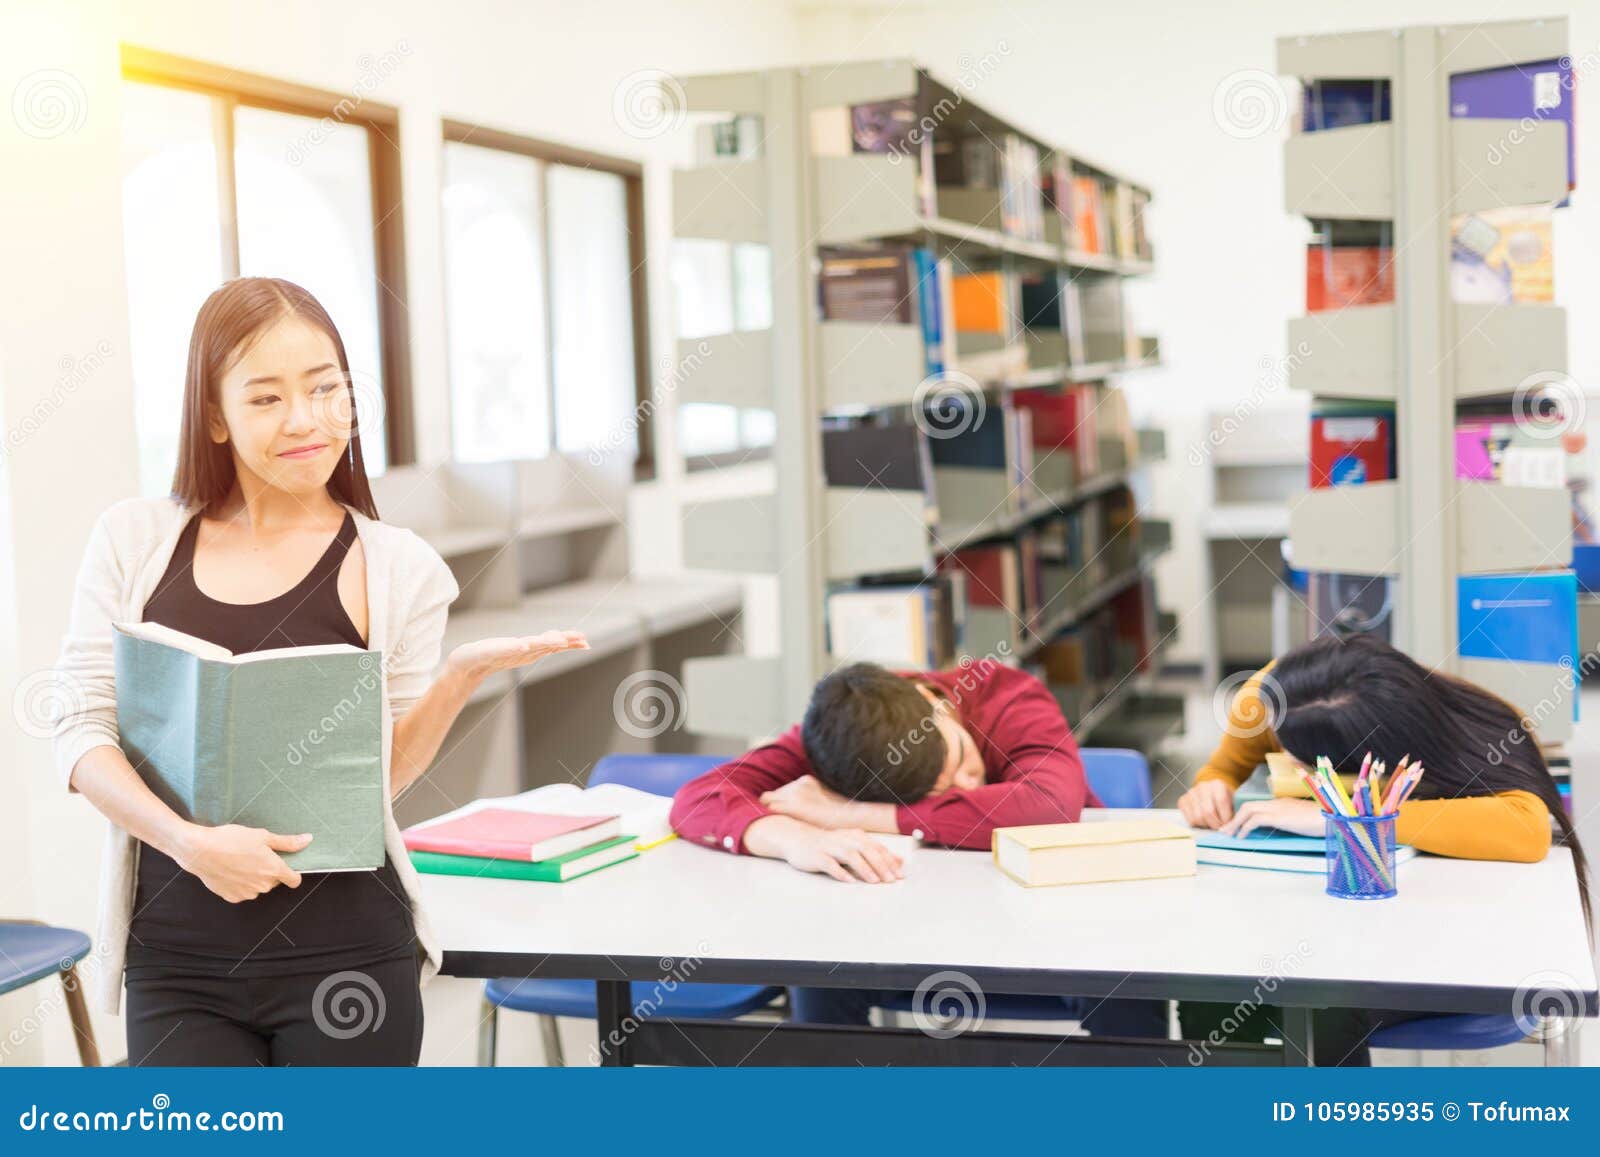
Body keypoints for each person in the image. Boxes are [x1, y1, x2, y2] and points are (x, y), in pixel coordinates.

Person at [51, 278, 587, 1066]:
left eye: (327, 390)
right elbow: (78, 727)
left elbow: (377, 780)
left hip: (347, 956)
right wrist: (187, 842)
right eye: (266, 398)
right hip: (178, 961)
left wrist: (456, 681)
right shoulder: (132, 540)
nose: (306, 420)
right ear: (213, 417)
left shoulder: (401, 568)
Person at [670, 658, 1168, 1037]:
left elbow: (1047, 805)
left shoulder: (1001, 691)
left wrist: (851, 814)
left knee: (1124, 974)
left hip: (1051, 926)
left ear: (935, 701)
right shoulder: (842, 737)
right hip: (914, 928)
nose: (967, 784)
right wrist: (797, 838)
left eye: (959, 758)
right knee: (821, 966)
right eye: (936, 792)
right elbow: (697, 800)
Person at [1175, 632, 1589, 1065]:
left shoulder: (1481, 732)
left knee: (1327, 1006)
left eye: (1302, 760)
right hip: (1311, 929)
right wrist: (1210, 788)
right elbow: (1224, 769)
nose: (1289, 764)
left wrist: (1348, 822)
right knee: (1210, 996)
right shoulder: (1274, 695)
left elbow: (1527, 828)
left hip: (1439, 942)